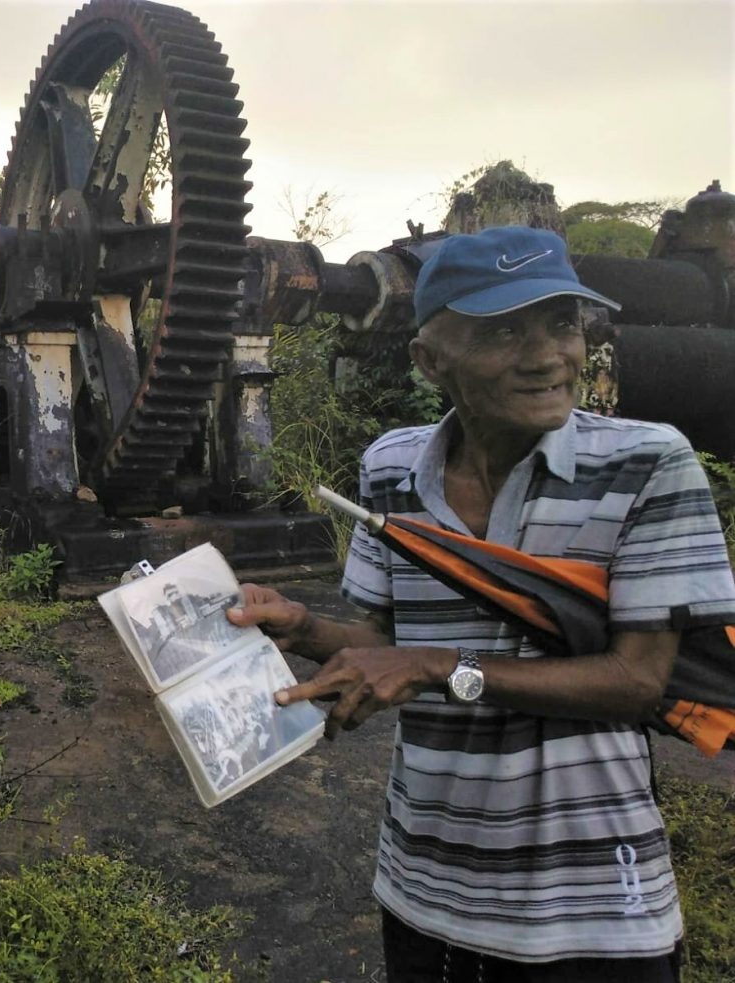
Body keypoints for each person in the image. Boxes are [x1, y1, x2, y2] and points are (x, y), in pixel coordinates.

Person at [227, 225, 735, 983]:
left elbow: (637, 680)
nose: (548, 357)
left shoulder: (647, 464)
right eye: (503, 331)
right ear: (431, 360)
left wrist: (439, 665)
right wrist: (299, 626)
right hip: (424, 890)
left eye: (563, 323)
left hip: (593, 909)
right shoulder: (391, 468)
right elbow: (378, 640)